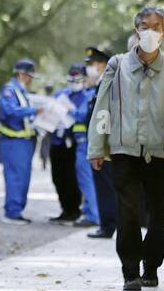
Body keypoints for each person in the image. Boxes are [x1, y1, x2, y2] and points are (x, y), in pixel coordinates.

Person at [87, 5, 164, 291]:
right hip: (125, 151)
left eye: (156, 27)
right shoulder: (117, 65)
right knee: (128, 211)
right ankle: (130, 270)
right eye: (145, 26)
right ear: (137, 30)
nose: (150, 32)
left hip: (161, 152)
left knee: (160, 215)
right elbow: (103, 107)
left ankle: (152, 266)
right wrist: (97, 148)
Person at [83, 48, 118, 239]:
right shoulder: (100, 83)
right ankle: (109, 223)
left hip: (105, 145)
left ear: (103, 64)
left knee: (105, 187)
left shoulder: (108, 82)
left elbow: (104, 115)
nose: (90, 68)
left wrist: (101, 145)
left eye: (92, 64)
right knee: (105, 186)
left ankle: (108, 225)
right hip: (102, 144)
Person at [0, 58, 38, 222]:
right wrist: (34, 110)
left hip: (24, 141)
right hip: (13, 141)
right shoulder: (10, 90)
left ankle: (17, 210)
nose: (30, 80)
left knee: (23, 177)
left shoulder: (20, 91)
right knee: (15, 177)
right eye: (28, 76)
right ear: (21, 74)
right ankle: (12, 212)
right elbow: (10, 111)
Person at [70, 51, 105, 228]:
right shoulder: (90, 92)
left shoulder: (92, 93)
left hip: (86, 143)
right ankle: (91, 211)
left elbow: (85, 115)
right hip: (83, 142)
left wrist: (68, 110)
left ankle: (93, 215)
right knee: (88, 180)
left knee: (86, 180)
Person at [48, 64, 86, 223]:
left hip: (73, 143)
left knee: (72, 178)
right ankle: (65, 209)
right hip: (57, 141)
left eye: (77, 79)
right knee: (58, 177)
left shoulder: (86, 96)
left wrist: (71, 109)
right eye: (72, 79)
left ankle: (74, 210)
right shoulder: (61, 94)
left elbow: (82, 116)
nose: (74, 82)